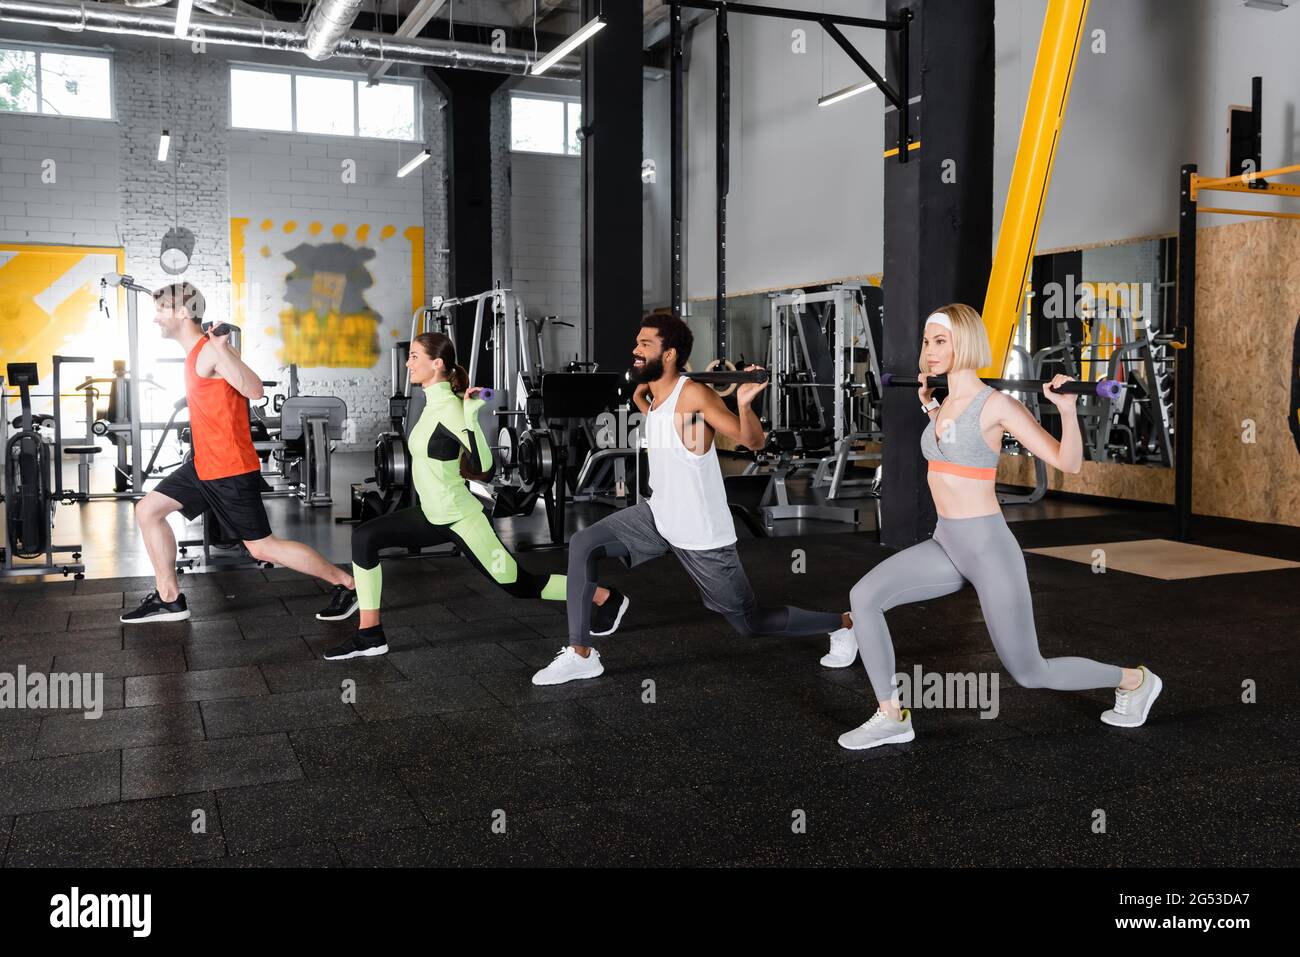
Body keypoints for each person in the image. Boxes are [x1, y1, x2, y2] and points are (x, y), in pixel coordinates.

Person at [834, 303, 1162, 750]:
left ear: (964, 342)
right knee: (864, 596)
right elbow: (953, 448)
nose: (928, 351)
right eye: (927, 342)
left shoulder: (997, 406)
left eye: (940, 341)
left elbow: (1067, 462)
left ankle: (1133, 680)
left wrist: (1066, 409)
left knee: (1030, 672)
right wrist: (931, 410)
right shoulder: (946, 402)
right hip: (946, 542)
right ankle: (892, 717)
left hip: (988, 549)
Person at [530, 312, 851, 686]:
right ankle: (580, 653)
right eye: (637, 342)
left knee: (751, 623)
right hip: (659, 516)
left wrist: (745, 405)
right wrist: (641, 401)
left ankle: (842, 623)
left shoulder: (695, 395)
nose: (635, 350)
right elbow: (669, 427)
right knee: (584, 543)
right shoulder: (658, 395)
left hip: (700, 534)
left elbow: (753, 442)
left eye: (645, 345)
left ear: (669, 354)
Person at [321, 332, 623, 660]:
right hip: (431, 515)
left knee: (519, 585)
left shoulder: (451, 408)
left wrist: (472, 416)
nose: (408, 363)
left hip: (462, 518)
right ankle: (370, 634)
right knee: (364, 538)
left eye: (414, 356)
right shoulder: (431, 403)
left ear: (436, 364)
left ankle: (605, 597)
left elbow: (485, 467)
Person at [122, 282, 358, 624]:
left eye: (162, 310)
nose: (156, 318)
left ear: (183, 312)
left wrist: (223, 353)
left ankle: (346, 583)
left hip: (229, 468)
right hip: (205, 464)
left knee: (262, 547)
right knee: (148, 511)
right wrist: (225, 351)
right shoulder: (204, 351)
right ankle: (169, 598)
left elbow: (255, 389)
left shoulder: (209, 351)